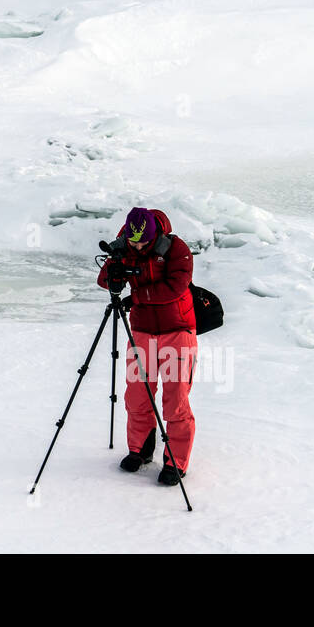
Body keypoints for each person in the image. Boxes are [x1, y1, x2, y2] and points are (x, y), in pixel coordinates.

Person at [97, 206, 196, 486]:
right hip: (142, 330)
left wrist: (137, 296)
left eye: (143, 241)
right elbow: (104, 281)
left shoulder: (176, 249)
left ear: (154, 236)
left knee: (176, 399)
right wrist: (114, 265)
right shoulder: (124, 245)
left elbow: (176, 287)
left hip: (178, 329)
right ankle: (140, 450)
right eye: (133, 241)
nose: (138, 246)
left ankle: (175, 461)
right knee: (137, 394)